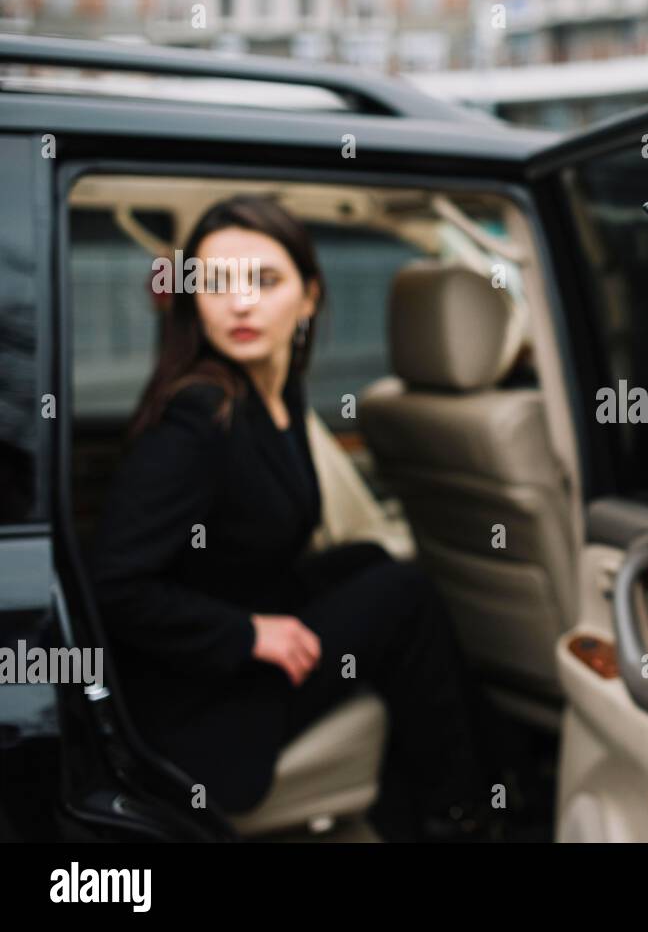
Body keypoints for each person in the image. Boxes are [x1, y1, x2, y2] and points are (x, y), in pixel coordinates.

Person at [90, 195, 503, 842]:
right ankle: (460, 809)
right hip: (204, 691)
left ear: (308, 297)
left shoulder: (271, 390)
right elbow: (114, 584)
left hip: (242, 616)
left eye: (265, 280)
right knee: (403, 591)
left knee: (372, 564)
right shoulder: (199, 416)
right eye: (216, 283)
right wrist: (248, 633)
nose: (240, 302)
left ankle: (480, 777)